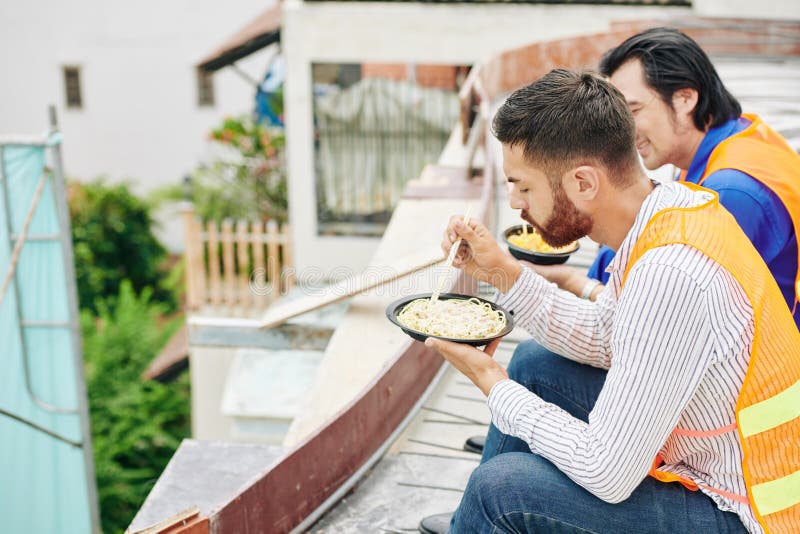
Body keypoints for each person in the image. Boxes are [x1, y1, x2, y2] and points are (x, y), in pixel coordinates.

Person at [417, 69, 799, 534]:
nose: (515, 203)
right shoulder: (669, 208)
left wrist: (491, 382)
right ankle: (475, 524)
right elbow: (607, 336)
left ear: (583, 182)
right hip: (714, 459)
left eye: (524, 186)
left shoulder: (670, 273)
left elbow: (607, 472)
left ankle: (485, 519)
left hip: (747, 512)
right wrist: (502, 271)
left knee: (500, 490)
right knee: (536, 364)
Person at [543, 28, 800, 327]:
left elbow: (670, 316)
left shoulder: (731, 191)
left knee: (534, 353)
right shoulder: (735, 136)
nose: (622, 130)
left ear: (685, 99)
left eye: (633, 110)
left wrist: (576, 283)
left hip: (756, 351)